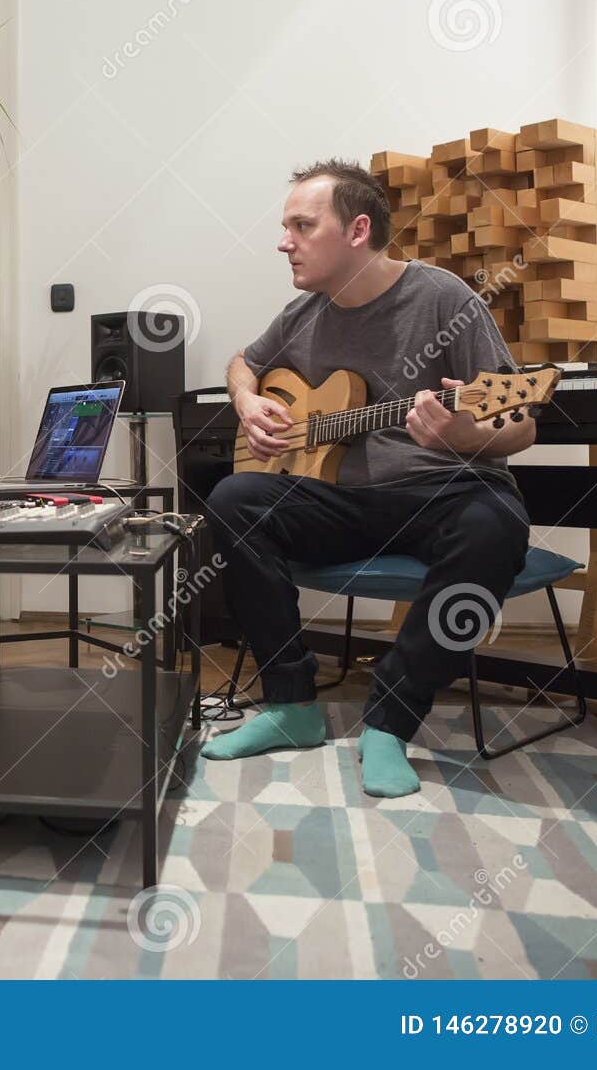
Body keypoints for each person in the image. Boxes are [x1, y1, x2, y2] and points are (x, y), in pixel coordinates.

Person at [201, 159, 535, 797]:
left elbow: (521, 424)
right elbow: (244, 361)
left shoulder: (445, 299)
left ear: (357, 230)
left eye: (302, 226)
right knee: (234, 497)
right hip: (346, 503)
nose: (283, 242)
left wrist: (462, 436)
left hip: (446, 495)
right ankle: (291, 705)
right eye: (286, 226)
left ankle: (389, 722)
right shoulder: (304, 313)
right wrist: (246, 400)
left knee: (494, 526)